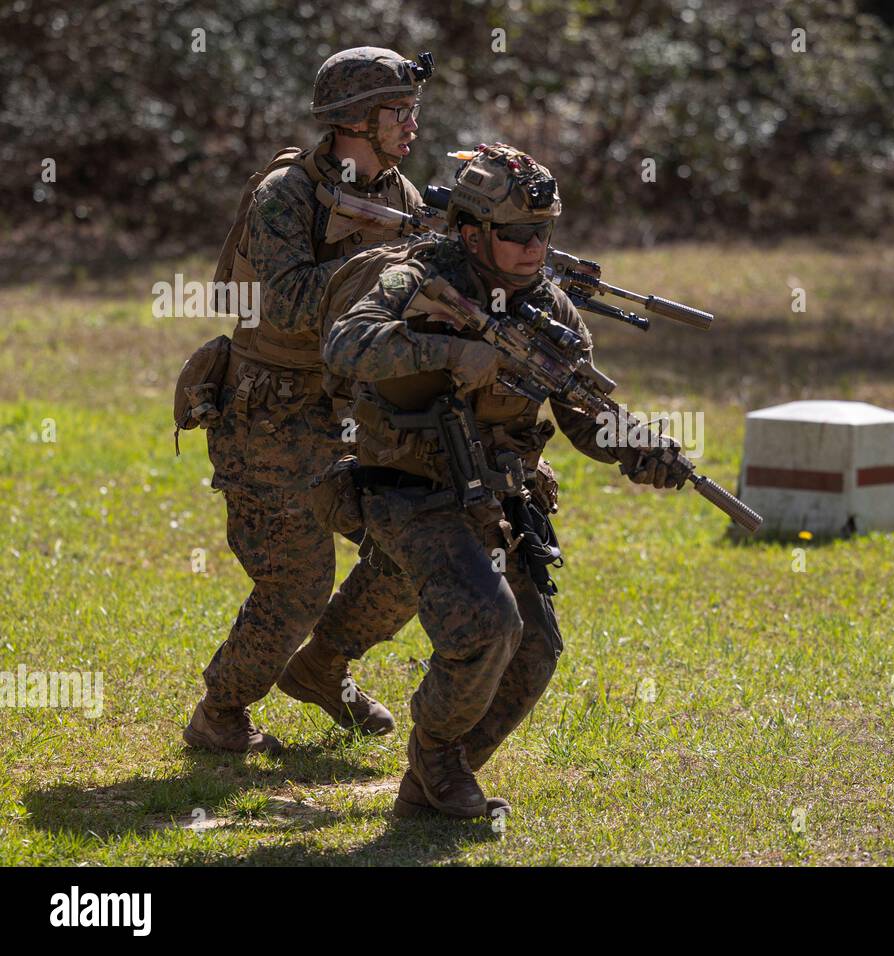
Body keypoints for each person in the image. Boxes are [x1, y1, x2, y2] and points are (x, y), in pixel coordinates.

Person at [321, 143, 693, 817]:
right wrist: (457, 353)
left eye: (544, 233)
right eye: (518, 233)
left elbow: (585, 416)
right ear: (472, 233)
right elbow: (347, 343)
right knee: (487, 628)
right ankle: (435, 757)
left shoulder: (552, 311)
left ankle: (432, 788)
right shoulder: (416, 278)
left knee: (536, 652)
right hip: (406, 488)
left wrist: (641, 449)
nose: (533, 247)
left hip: (496, 495)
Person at [184, 47, 434, 754]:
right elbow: (288, 302)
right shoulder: (285, 196)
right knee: (296, 583)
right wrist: (383, 267)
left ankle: (322, 668)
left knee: (415, 549)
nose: (412, 123)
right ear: (357, 119)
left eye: (412, 109)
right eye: (399, 111)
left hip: (353, 408)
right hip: (268, 411)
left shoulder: (402, 195)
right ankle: (221, 713)